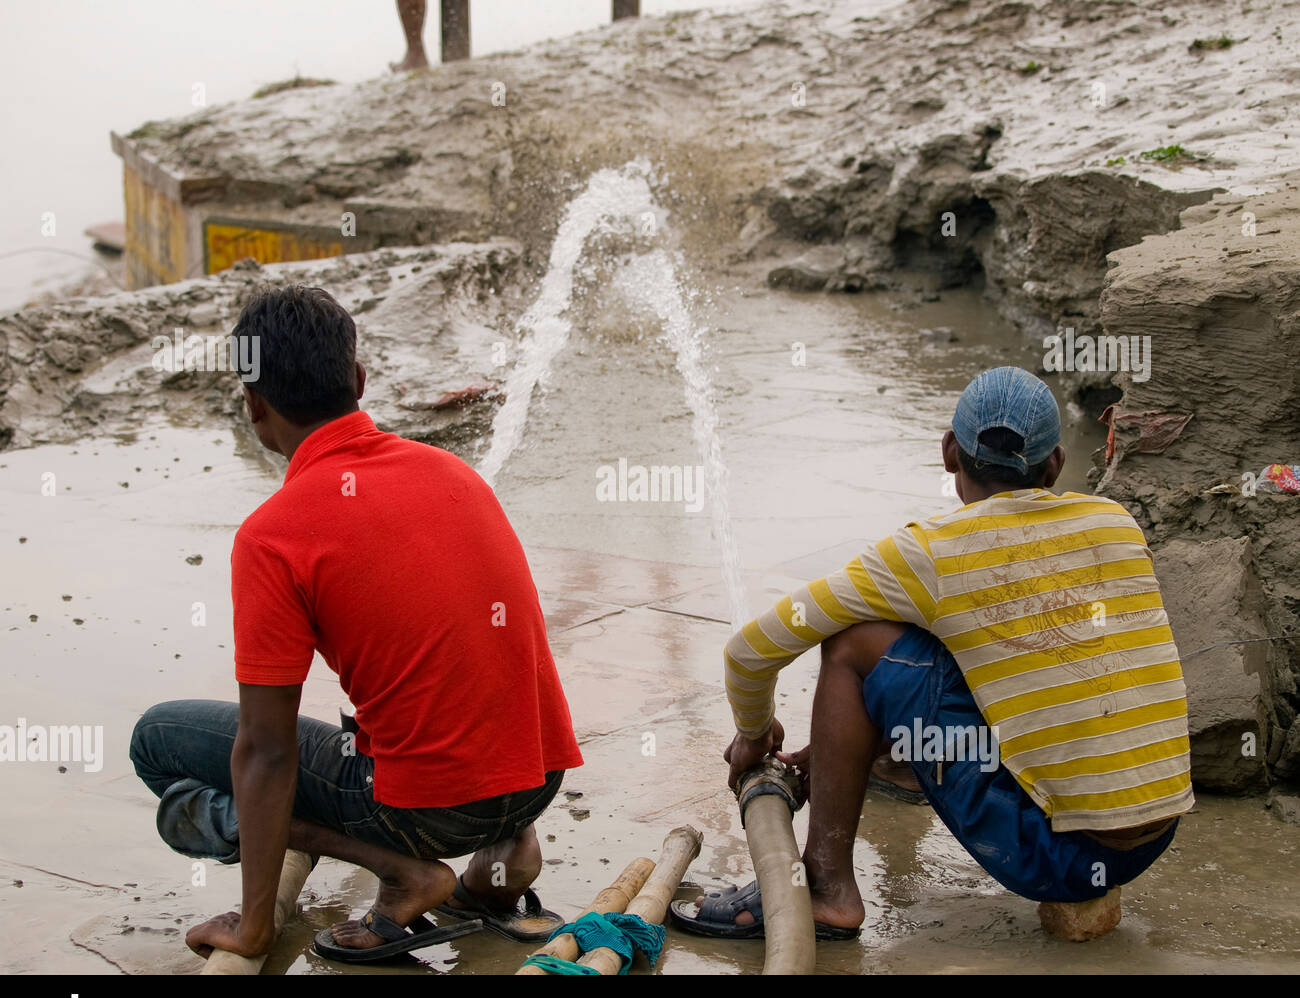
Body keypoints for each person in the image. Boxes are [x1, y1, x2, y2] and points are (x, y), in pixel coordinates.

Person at [130, 284, 582, 963]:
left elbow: (265, 751)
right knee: (383, 717)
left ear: (255, 407)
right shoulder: (454, 473)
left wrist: (254, 928)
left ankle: (403, 870)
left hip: (428, 811)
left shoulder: (274, 535)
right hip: (536, 779)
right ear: (360, 381)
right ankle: (505, 851)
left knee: (160, 739)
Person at [672, 365, 1193, 939]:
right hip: (1158, 834)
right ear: (1055, 465)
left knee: (854, 642)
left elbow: (750, 651)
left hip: (1055, 856)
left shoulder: (930, 553)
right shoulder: (1115, 522)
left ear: (949, 453)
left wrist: (753, 732)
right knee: (971, 636)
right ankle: (900, 763)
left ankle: (825, 889)